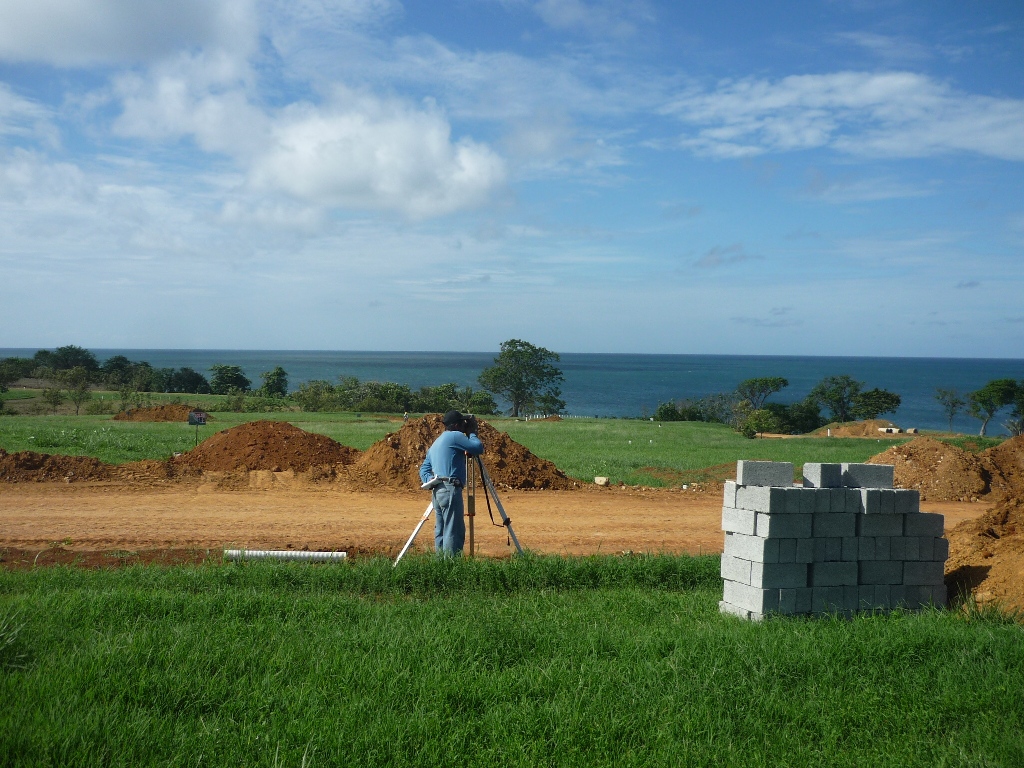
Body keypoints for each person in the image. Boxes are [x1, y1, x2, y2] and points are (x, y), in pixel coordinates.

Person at [419, 410, 484, 556]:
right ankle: (451, 565)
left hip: (438, 490)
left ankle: (440, 565)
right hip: (450, 489)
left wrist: (429, 480)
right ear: (456, 425)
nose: (464, 426)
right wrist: (472, 432)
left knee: (441, 530)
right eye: (462, 423)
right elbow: (478, 448)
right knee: (453, 530)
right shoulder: (455, 436)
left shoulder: (437, 442)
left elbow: (424, 468)